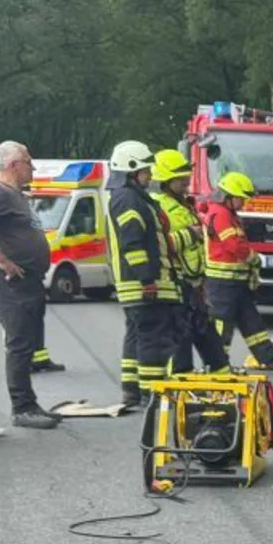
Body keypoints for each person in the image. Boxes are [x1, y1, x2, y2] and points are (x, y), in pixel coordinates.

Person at [0, 141, 60, 429]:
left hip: (30, 280)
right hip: (12, 282)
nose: (33, 166)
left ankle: (30, 403)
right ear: (13, 165)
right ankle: (22, 408)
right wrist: (0, 258)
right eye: (28, 161)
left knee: (28, 342)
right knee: (19, 343)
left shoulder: (15, 195)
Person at [103, 140, 182, 409]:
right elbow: (133, 243)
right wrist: (147, 279)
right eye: (146, 171)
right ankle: (151, 392)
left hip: (132, 282)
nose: (149, 175)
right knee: (153, 337)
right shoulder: (129, 199)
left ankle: (132, 389)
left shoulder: (127, 197)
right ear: (132, 171)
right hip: (141, 282)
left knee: (136, 335)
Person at [150, 148, 231, 374]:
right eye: (181, 179)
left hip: (193, 282)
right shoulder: (160, 207)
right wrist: (190, 234)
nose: (187, 182)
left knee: (206, 333)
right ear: (166, 180)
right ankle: (183, 385)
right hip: (177, 281)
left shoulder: (183, 203)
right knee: (181, 338)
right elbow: (162, 245)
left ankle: (221, 375)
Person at [199, 171, 273, 369]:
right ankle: (217, 363)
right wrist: (254, 257)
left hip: (235, 281)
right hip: (222, 283)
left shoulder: (228, 214)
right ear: (229, 197)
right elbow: (234, 246)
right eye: (242, 199)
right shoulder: (221, 215)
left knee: (251, 320)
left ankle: (268, 356)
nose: (245, 203)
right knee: (222, 325)